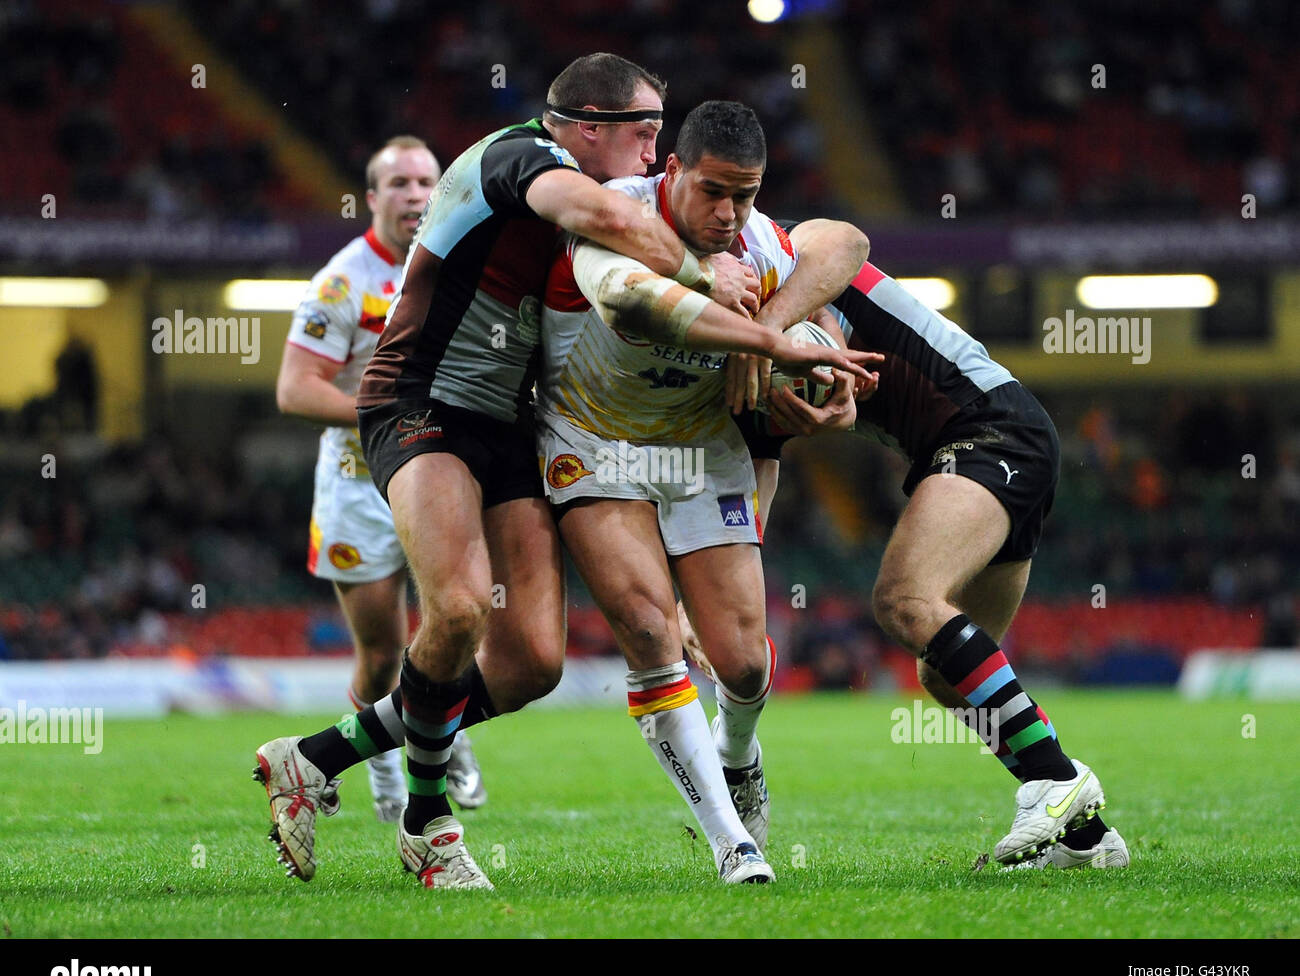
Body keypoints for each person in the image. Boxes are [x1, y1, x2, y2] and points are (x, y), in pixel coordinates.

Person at [253, 53, 860, 890]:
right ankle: (430, 822)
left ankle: (316, 756)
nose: (651, 156)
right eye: (643, 135)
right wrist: (701, 275)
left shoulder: (653, 203)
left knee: (532, 660)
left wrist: (795, 348)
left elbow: (836, 241)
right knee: (460, 606)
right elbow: (593, 216)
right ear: (586, 126)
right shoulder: (519, 156)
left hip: (509, 417)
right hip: (422, 396)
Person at [537, 100, 873, 883]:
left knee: (744, 665)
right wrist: (759, 337)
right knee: (652, 634)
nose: (729, 215)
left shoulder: (756, 243)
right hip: (593, 444)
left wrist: (813, 357)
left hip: (699, 448)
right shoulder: (614, 211)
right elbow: (624, 296)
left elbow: (846, 247)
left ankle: (738, 752)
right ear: (672, 171)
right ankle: (734, 844)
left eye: (746, 196)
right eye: (713, 192)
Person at [725, 256, 1129, 869]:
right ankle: (1087, 839)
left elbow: (845, 236)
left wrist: (774, 331)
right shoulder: (739, 367)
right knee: (944, 673)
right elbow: (758, 484)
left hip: (991, 428)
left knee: (904, 601)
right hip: (988, 446)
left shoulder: (784, 257)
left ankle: (1052, 778)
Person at [267, 136, 486, 833]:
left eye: (426, 181)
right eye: (398, 183)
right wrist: (388, 411)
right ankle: (389, 774)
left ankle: (446, 734)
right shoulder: (342, 281)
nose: (415, 194)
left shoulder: (462, 265)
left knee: (456, 617)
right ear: (372, 197)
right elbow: (295, 389)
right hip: (358, 485)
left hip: (433, 471)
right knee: (383, 651)